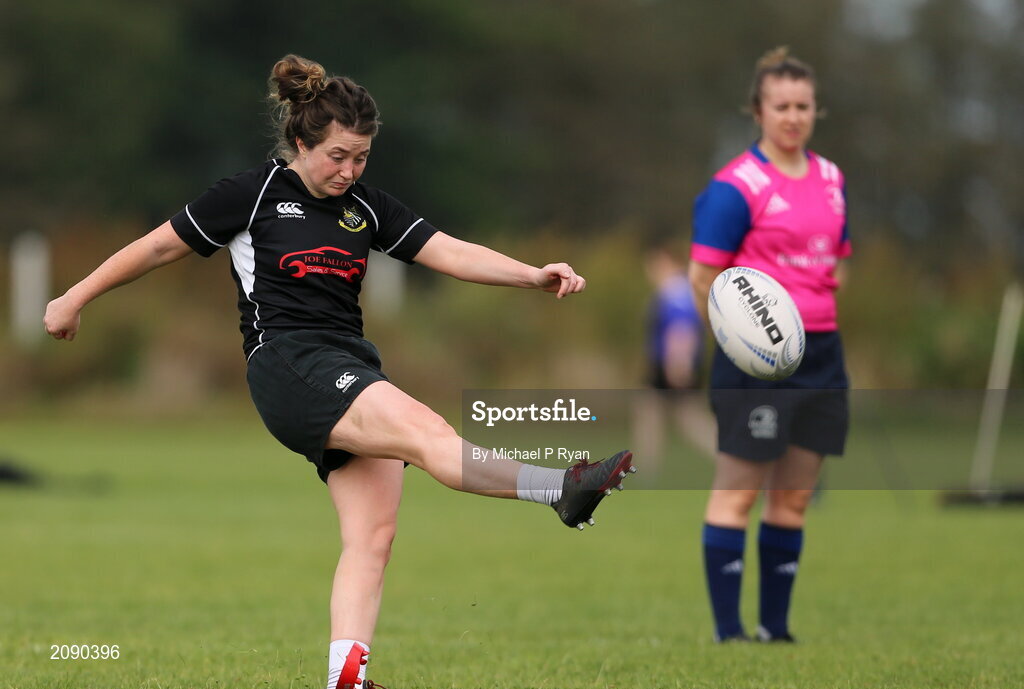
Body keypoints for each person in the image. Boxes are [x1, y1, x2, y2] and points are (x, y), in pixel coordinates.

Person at [44, 54, 635, 689]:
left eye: (361, 159)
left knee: (373, 536)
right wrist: (74, 297)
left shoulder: (366, 206)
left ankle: (344, 680)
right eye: (337, 156)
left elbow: (448, 251)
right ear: (303, 142)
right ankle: (563, 488)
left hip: (347, 362)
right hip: (288, 363)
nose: (349, 171)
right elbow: (157, 245)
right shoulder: (254, 193)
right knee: (429, 432)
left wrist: (530, 274)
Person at [688, 47, 850, 644]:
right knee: (736, 498)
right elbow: (703, 277)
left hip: (823, 357)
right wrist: (742, 347)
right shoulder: (736, 187)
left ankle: (776, 631)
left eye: (803, 106)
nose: (793, 116)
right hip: (754, 369)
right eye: (781, 106)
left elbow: (838, 265)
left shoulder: (833, 180)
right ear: (757, 110)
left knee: (793, 501)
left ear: (816, 110)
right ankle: (730, 635)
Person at [633, 243, 715, 467]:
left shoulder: (675, 292)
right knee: (650, 414)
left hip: (673, 366)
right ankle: (644, 469)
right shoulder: (677, 290)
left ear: (667, 263)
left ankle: (731, 458)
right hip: (666, 366)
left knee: (690, 421)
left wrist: (679, 364)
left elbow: (681, 329)